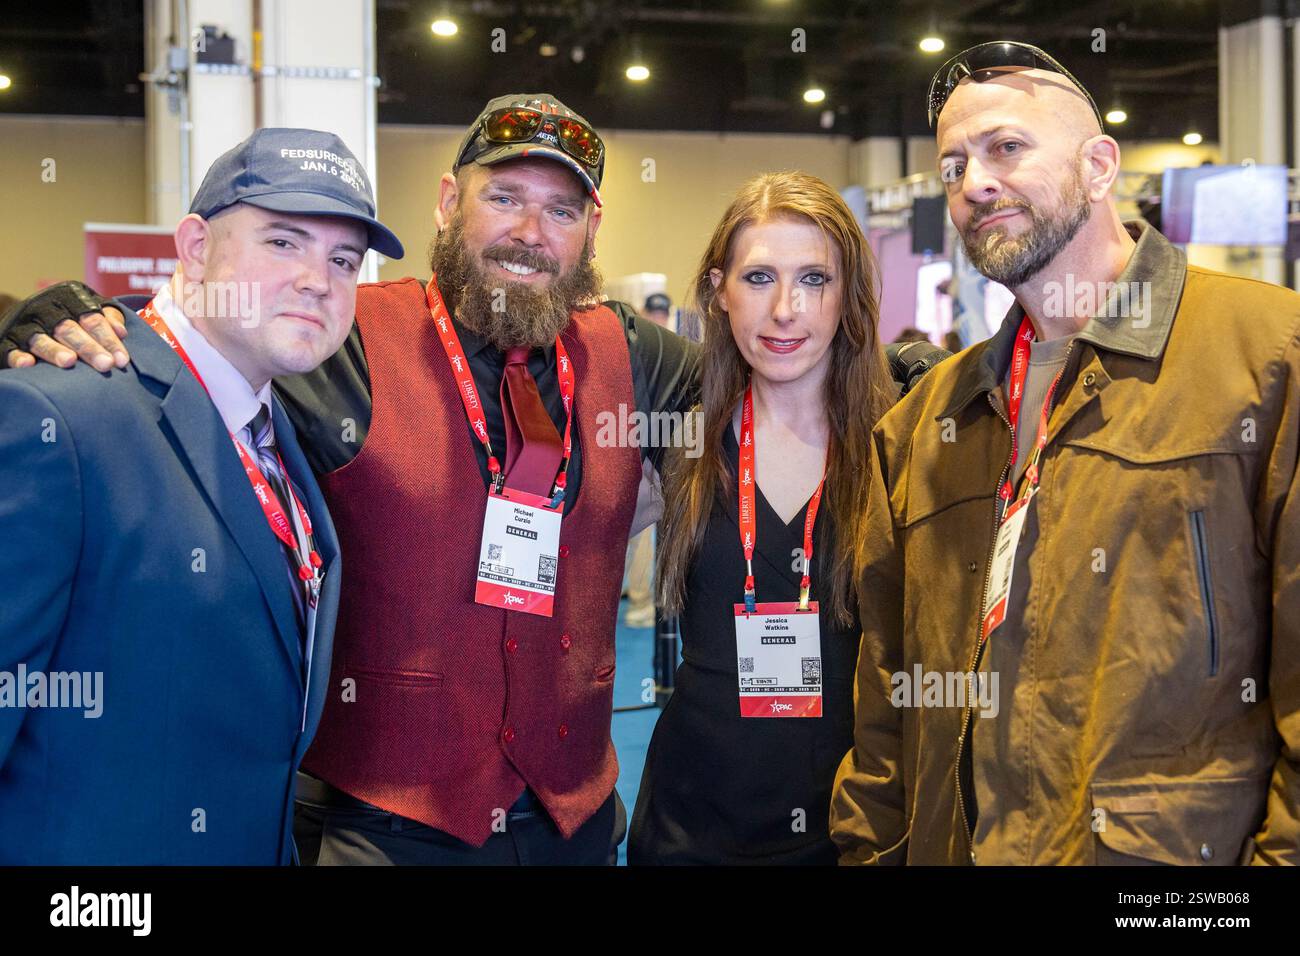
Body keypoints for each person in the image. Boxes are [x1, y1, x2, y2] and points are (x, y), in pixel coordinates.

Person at [1, 94, 700, 865]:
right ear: (446, 201)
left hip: (579, 821)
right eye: (503, 198)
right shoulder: (338, 335)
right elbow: (206, 342)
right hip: (381, 829)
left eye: (562, 212)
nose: (529, 234)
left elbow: (754, 395)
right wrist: (77, 317)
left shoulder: (634, 357)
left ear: (592, 232)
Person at [831, 41, 1300, 865]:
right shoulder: (925, 424)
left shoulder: (1267, 356)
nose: (973, 183)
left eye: (1006, 148)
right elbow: (885, 713)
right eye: (952, 164)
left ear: (1098, 164)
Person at [0, 128, 403, 863]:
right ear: (193, 248)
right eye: (284, 242)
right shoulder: (58, 414)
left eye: (344, 260)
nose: (319, 278)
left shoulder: (281, 433)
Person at [629, 172, 895, 864]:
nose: (785, 309)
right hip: (691, 828)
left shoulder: (901, 442)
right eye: (758, 278)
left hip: (847, 830)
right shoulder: (677, 442)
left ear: (848, 295)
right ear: (719, 290)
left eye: (813, 279)